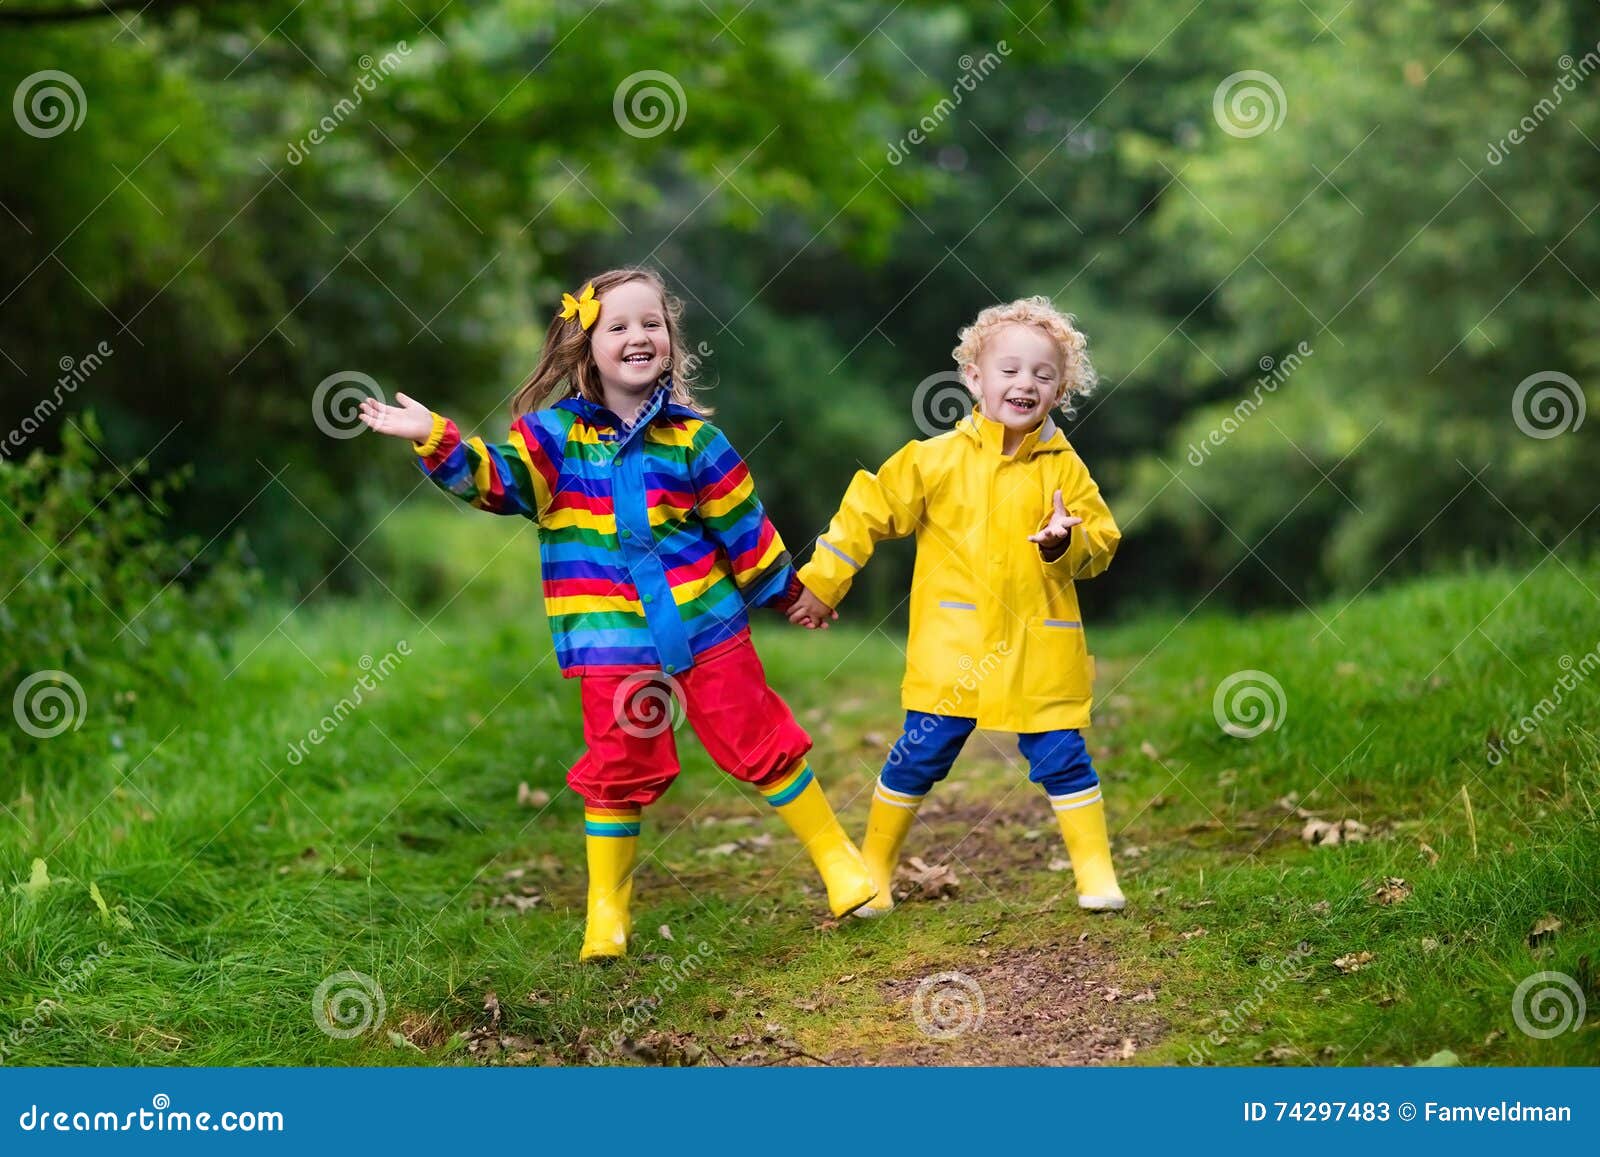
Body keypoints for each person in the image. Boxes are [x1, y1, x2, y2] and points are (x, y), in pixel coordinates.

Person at [358, 267, 876, 959]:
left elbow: (744, 527)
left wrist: (794, 593)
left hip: (706, 626)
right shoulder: (551, 440)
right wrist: (438, 438)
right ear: (586, 347)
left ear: (671, 340)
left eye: (651, 323)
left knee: (760, 735)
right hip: (612, 642)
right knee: (616, 764)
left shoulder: (695, 441)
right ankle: (608, 911)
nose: (639, 336)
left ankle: (837, 857)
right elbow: (496, 482)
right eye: (619, 326)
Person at [788, 296, 1125, 915]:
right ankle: (874, 871)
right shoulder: (934, 460)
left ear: (1060, 390)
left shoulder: (1067, 471)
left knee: (1061, 755)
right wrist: (823, 582)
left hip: (1038, 650)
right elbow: (867, 511)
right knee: (919, 753)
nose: (1025, 383)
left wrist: (1065, 541)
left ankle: (1096, 870)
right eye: (1010, 370)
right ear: (974, 378)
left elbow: (1102, 544)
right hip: (954, 650)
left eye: (1043, 375)